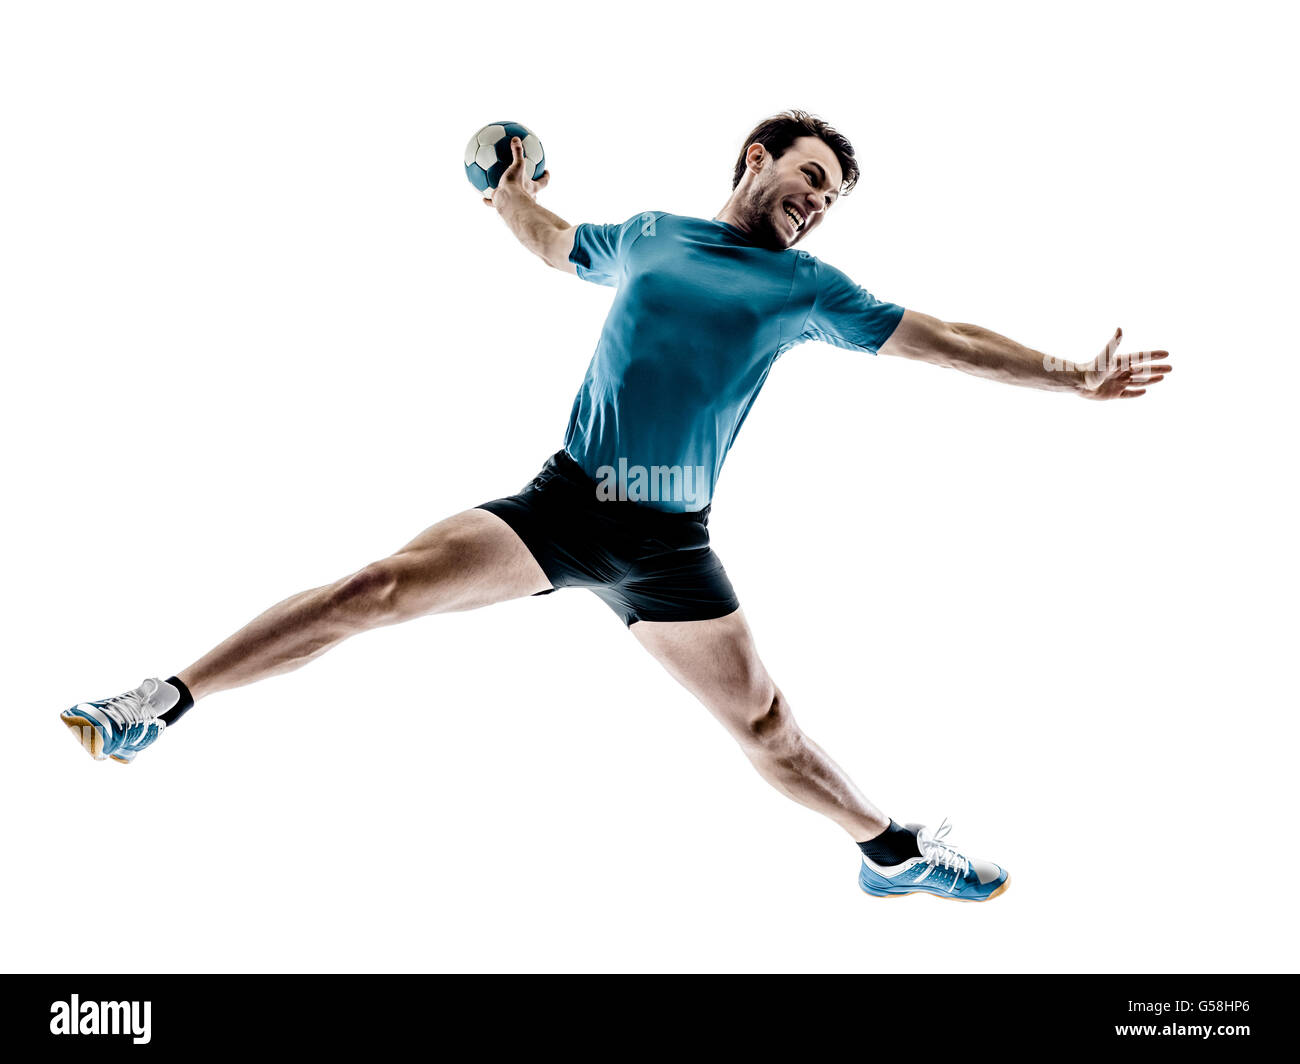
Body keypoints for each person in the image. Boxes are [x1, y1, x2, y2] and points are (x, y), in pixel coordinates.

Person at [60, 110, 1171, 901]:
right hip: (561, 507)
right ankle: (162, 698)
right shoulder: (648, 235)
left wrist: (1069, 374)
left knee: (769, 730)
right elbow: (549, 240)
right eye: (812, 177)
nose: (818, 205)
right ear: (758, 156)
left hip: (666, 544)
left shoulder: (808, 292)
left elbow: (946, 339)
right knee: (373, 587)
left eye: (832, 199)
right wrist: (506, 192)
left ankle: (890, 850)